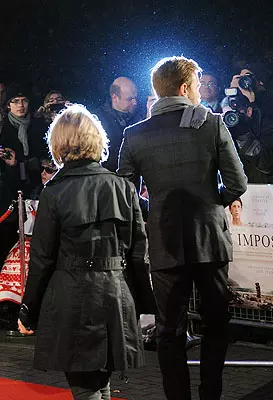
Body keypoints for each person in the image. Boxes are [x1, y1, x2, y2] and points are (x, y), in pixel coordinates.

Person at [118, 56, 247, 400]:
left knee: (168, 329)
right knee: (216, 324)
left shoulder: (134, 135)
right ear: (185, 88)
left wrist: (155, 206)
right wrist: (209, 201)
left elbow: (125, 194)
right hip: (210, 240)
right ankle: (210, 395)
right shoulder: (212, 124)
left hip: (163, 241)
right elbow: (237, 183)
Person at [16, 104, 155, 399]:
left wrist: (28, 310)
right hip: (116, 294)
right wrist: (146, 304)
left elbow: (42, 259)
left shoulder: (54, 192)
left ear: (59, 143)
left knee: (85, 388)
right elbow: (137, 252)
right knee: (99, 383)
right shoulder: (123, 187)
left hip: (72, 294)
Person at [96, 77, 141, 172]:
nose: (135, 102)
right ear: (115, 98)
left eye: (135, 98)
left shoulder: (141, 115)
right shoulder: (98, 121)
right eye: (130, 99)